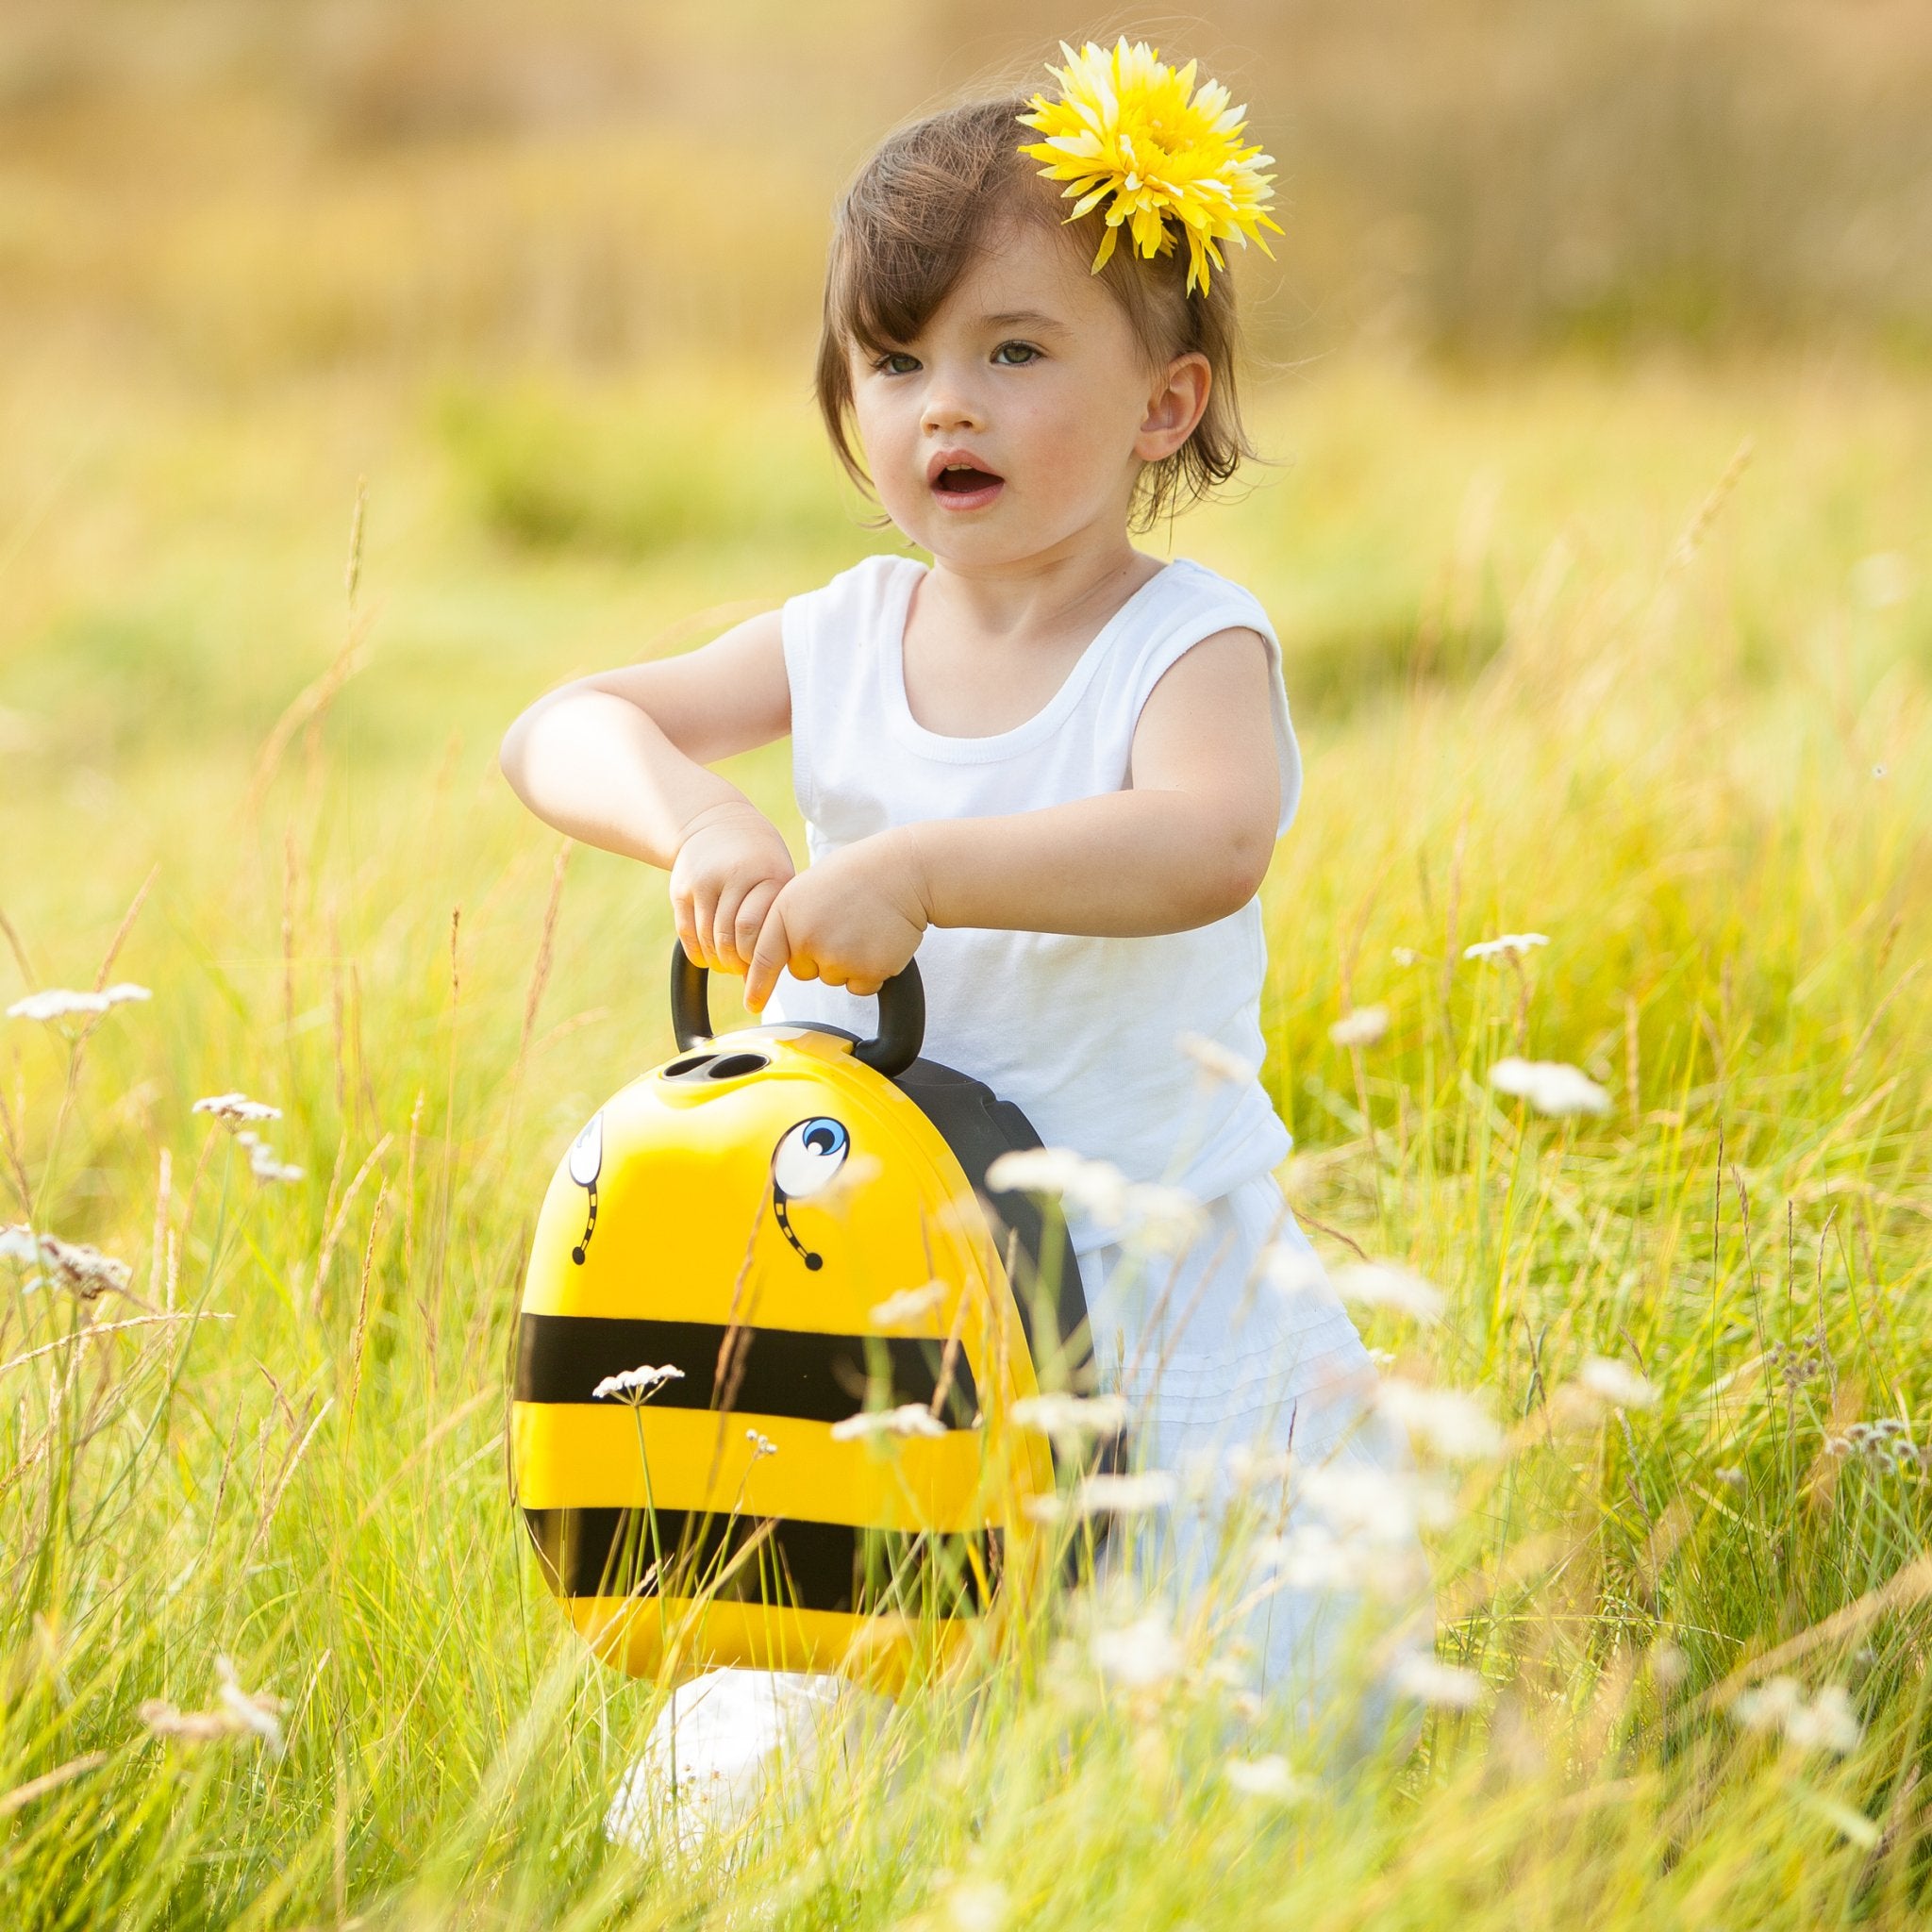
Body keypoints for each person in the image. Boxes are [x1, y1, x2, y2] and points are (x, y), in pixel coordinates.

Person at [500, 41, 1429, 1850]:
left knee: (1248, 1726)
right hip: (900, 1290)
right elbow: (559, 724)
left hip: (1163, 1292)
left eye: (1015, 352)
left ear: (1166, 404)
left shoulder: (1188, 645)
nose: (949, 406)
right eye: (897, 359)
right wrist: (704, 818)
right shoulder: (844, 636)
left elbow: (1206, 841)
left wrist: (921, 866)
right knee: (856, 1657)